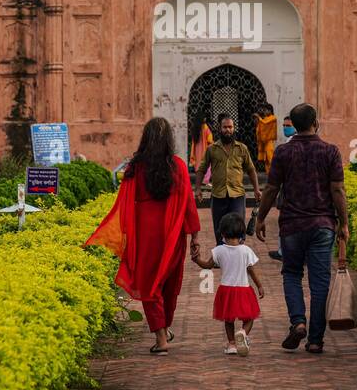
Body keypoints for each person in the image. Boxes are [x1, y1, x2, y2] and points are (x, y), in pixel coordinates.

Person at [86, 116, 200, 354]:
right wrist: (195, 237)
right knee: (169, 283)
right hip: (172, 234)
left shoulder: (135, 168)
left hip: (146, 234)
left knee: (150, 284)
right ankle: (164, 329)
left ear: (145, 139)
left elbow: (123, 203)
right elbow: (189, 203)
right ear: (169, 139)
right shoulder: (178, 166)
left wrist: (121, 234)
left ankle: (161, 336)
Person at [255, 102, 349, 355]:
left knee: (292, 274)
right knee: (320, 282)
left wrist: (260, 217)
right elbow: (337, 190)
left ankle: (298, 321)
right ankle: (316, 340)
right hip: (322, 225)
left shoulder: (284, 153)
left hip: (293, 224)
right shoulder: (330, 151)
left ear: (293, 126)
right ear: (315, 123)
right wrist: (344, 223)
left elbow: (272, 188)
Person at [190, 211, 264, 356]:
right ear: (242, 233)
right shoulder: (246, 251)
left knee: (228, 319)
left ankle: (231, 344)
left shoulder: (219, 250)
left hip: (226, 290)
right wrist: (259, 285)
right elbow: (251, 270)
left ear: (222, 233)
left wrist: (196, 259)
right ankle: (243, 333)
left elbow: (207, 265)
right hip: (244, 289)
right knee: (249, 318)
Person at [195, 113, 260, 246]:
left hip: (237, 195)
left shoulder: (242, 148)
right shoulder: (212, 149)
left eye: (230, 127)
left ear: (234, 128)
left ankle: (239, 255)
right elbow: (201, 169)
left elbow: (251, 169)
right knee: (219, 229)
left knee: (238, 228)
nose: (227, 130)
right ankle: (221, 257)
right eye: (225, 127)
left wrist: (257, 189)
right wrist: (197, 189)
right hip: (218, 195)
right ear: (220, 128)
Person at [254, 103, 277, 171]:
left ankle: (274, 172)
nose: (265, 112)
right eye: (264, 110)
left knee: (270, 157)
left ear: (270, 110)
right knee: (266, 159)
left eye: (266, 110)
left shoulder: (273, 118)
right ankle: (269, 173)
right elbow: (261, 126)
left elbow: (265, 123)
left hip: (269, 141)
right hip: (264, 141)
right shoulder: (265, 119)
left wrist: (259, 118)